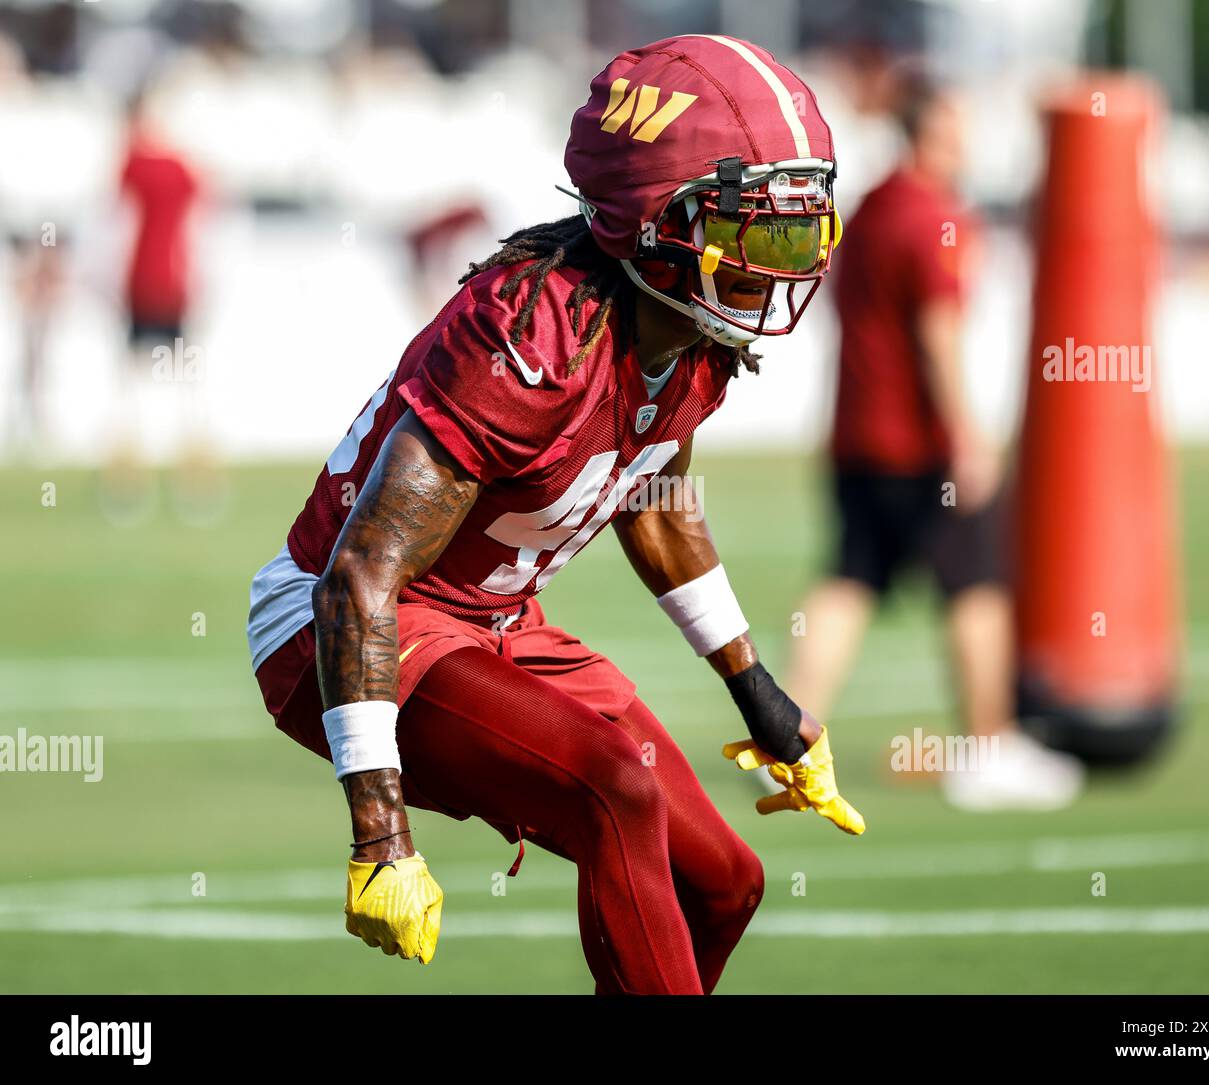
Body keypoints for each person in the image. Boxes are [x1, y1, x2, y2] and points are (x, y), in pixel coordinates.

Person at [247, 35, 863, 996]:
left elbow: (656, 509)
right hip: (343, 625)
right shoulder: (532, 334)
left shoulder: (688, 334)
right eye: (756, 229)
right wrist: (380, 836)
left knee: (726, 881)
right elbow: (358, 577)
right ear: (654, 219)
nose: (780, 263)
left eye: (799, 231)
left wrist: (762, 696)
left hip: (495, 624)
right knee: (612, 787)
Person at [784, 72, 1082, 811]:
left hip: (857, 431)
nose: (968, 142)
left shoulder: (871, 207)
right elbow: (937, 335)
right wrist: (968, 436)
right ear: (930, 133)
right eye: (957, 127)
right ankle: (991, 746)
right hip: (917, 444)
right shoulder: (933, 217)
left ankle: (782, 742)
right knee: (979, 588)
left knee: (850, 582)